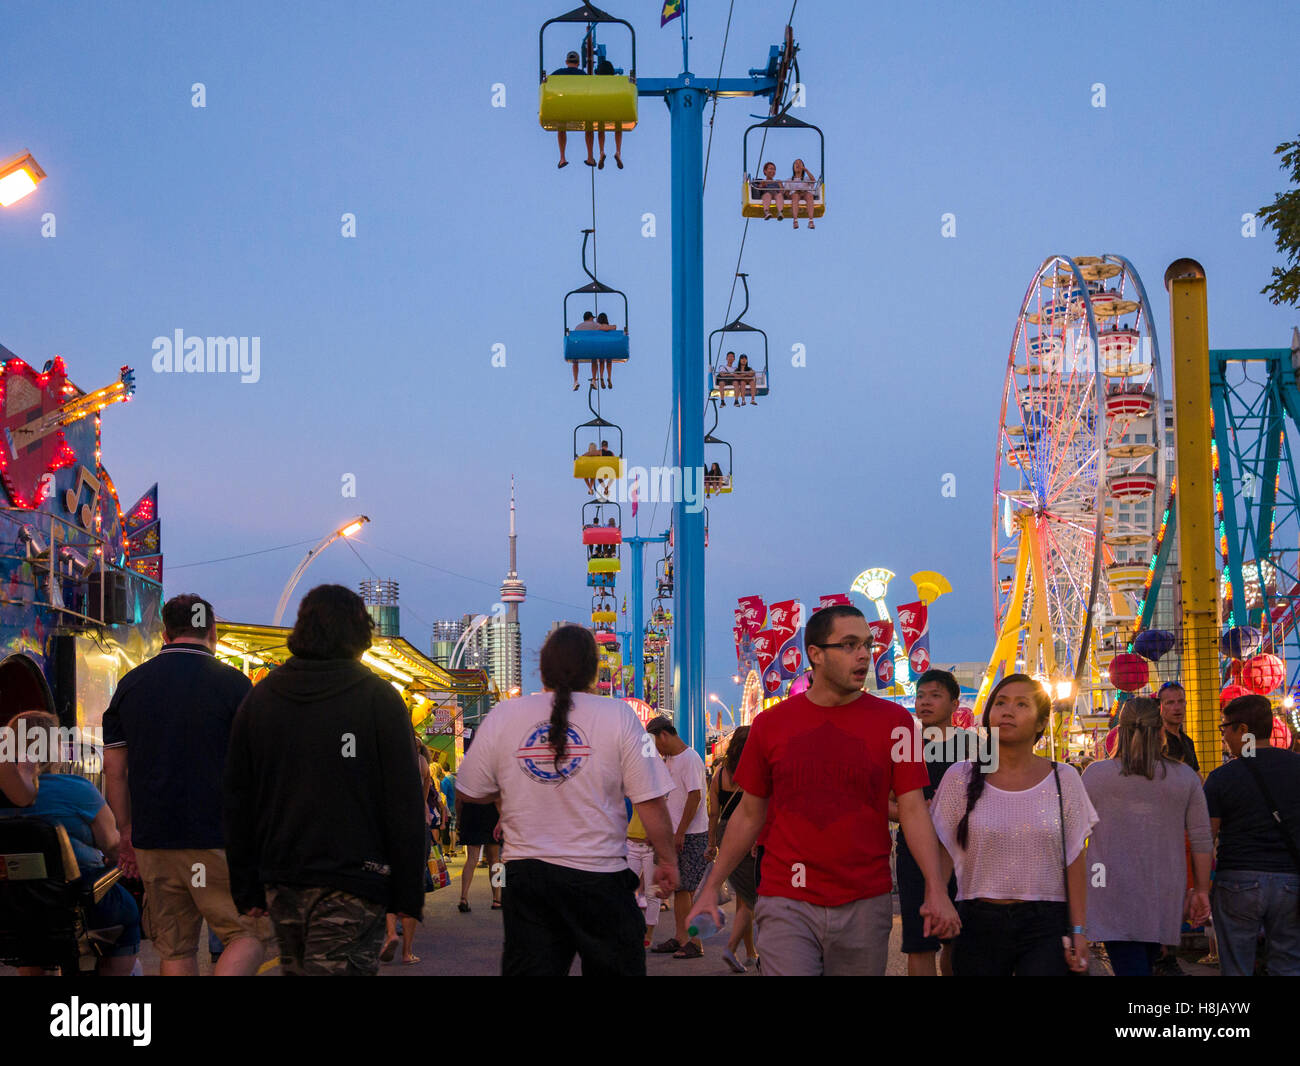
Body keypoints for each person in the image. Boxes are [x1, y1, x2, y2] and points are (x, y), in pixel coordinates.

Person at [688, 605, 960, 976]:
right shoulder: (771, 726)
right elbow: (750, 814)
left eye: (867, 644)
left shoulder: (897, 723)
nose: (864, 654)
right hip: (786, 896)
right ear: (815, 654)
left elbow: (913, 810)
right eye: (849, 644)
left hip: (865, 899)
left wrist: (936, 888)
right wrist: (711, 885)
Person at [224, 584, 427, 976]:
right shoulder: (378, 699)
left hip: (282, 877)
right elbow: (403, 802)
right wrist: (407, 892)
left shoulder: (261, 699)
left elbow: (237, 798)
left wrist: (245, 883)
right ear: (359, 633)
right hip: (355, 880)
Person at [455, 624, 678, 976]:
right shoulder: (620, 717)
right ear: (593, 671)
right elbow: (651, 801)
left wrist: (509, 792)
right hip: (600, 878)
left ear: (541, 669)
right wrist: (667, 860)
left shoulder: (504, 716)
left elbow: (468, 789)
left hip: (528, 881)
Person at [102, 593, 268, 976]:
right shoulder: (236, 686)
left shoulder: (131, 685)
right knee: (249, 934)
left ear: (165, 632)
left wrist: (126, 831)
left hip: (155, 841)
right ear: (212, 631)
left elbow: (114, 768)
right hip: (217, 839)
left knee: (175, 946)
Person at [931, 674, 1098, 976]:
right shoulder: (960, 778)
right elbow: (943, 850)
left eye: (1022, 704)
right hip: (977, 921)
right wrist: (938, 898)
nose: (1007, 711)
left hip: (1046, 924)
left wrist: (1079, 930)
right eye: (1001, 703)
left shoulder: (1064, 779)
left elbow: (1075, 860)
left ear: (1039, 723)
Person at [0, 710, 141, 976]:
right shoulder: (77, 789)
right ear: (54, 748)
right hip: (79, 900)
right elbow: (112, 845)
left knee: (29, 927)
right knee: (127, 912)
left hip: (14, 905)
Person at [1081, 697, 1212, 977]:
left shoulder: (1095, 775)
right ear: (1162, 730)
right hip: (1165, 888)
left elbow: (1075, 837)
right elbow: (1202, 840)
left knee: (1130, 963)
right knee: (1145, 958)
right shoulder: (1184, 777)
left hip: (1108, 887)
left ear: (1119, 731)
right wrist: (1201, 890)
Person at [1204, 693, 1300, 976]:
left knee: (1236, 967)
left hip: (1237, 880)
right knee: (1290, 964)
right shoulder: (1297, 767)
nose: (1223, 738)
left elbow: (1205, 837)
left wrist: (1200, 886)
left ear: (1243, 730)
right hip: (1291, 882)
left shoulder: (1222, 777)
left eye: (1224, 729)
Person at [890, 669, 963, 977]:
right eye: (920, 696)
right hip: (915, 853)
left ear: (955, 704)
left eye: (935, 696)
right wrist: (914, 812)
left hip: (965, 854)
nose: (925, 702)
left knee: (958, 939)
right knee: (920, 943)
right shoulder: (903, 746)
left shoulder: (975, 748)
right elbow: (882, 800)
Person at [645, 717, 709, 960]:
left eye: (655, 743)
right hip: (675, 834)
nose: (657, 749)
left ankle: (694, 942)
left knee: (685, 891)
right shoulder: (670, 760)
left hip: (690, 835)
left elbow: (695, 797)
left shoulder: (690, 758)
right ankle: (682, 937)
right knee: (679, 891)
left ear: (663, 735)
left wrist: (680, 831)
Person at [707, 725, 757, 972]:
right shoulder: (753, 773)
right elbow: (754, 810)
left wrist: (711, 843)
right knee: (748, 897)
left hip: (725, 833)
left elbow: (713, 813)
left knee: (744, 895)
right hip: (746, 832)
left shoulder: (719, 774)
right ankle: (738, 948)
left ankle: (750, 951)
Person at [382, 739, 433, 964]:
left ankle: (391, 933)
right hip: (415, 825)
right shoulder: (421, 762)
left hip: (390, 825)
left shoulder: (387, 761)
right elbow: (427, 783)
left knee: (389, 881)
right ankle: (407, 952)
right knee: (412, 884)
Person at [455, 793, 501, 913]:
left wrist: (459, 819)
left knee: (471, 859)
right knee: (495, 860)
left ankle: (463, 898)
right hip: (492, 815)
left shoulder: (466, 774)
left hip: (470, 815)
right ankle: (497, 899)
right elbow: (498, 798)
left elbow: (459, 799)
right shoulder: (494, 773)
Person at [549, 51, 595, 168]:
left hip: (564, 108)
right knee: (589, 127)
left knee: (561, 128)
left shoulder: (558, 73)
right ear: (578, 63)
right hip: (581, 108)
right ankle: (590, 156)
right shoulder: (583, 75)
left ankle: (562, 158)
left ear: (566, 62)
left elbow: (546, 82)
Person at [1157, 681, 1199, 771]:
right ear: (1160, 707)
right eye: (1170, 703)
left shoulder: (1188, 741)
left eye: (1181, 701)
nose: (1177, 707)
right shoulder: (1155, 741)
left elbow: (1197, 777)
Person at [787, 158, 817, 229]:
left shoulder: (806, 179)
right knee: (795, 196)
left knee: (809, 195)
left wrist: (806, 170)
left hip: (805, 193)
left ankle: (811, 220)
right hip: (795, 194)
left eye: (800, 163)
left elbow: (813, 180)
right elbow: (786, 191)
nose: (798, 164)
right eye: (796, 163)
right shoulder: (789, 180)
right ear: (793, 167)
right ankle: (795, 220)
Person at [595, 312, 617, 390]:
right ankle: (609, 377)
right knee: (609, 362)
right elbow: (614, 327)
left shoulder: (598, 327)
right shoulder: (609, 327)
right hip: (608, 347)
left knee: (601, 362)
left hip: (600, 347)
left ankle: (601, 377)